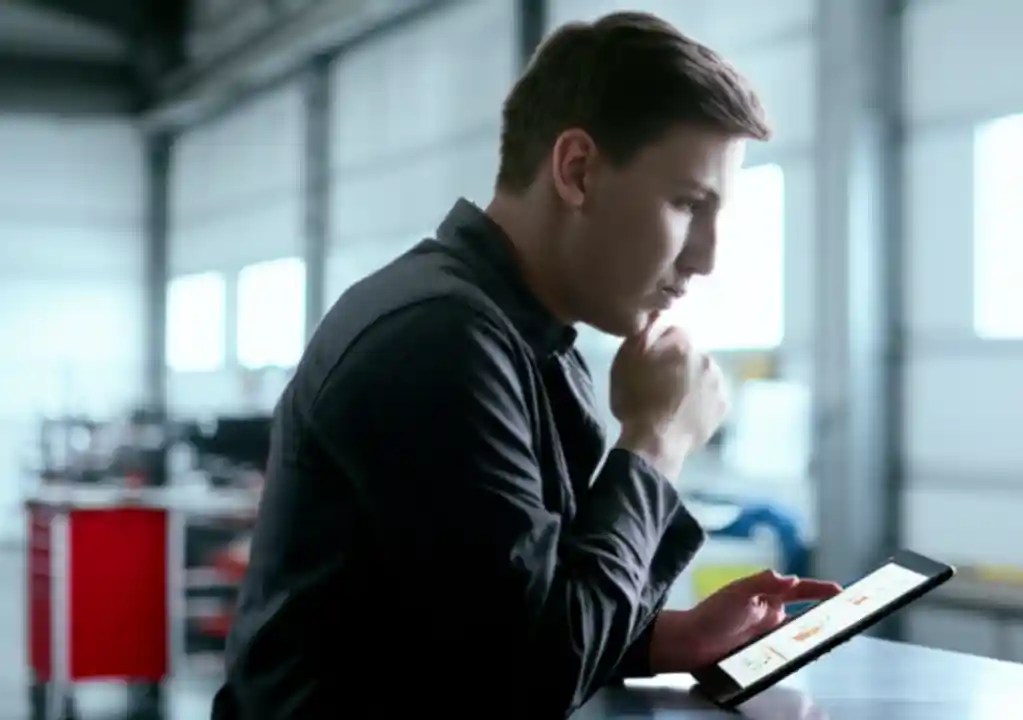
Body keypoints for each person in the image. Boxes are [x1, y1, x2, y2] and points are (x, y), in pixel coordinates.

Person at [211, 10, 840, 719]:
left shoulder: (516, 337)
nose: (707, 258)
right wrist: (656, 439)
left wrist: (666, 640)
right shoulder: (438, 340)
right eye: (687, 204)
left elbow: (482, 620)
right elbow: (528, 676)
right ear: (576, 171)